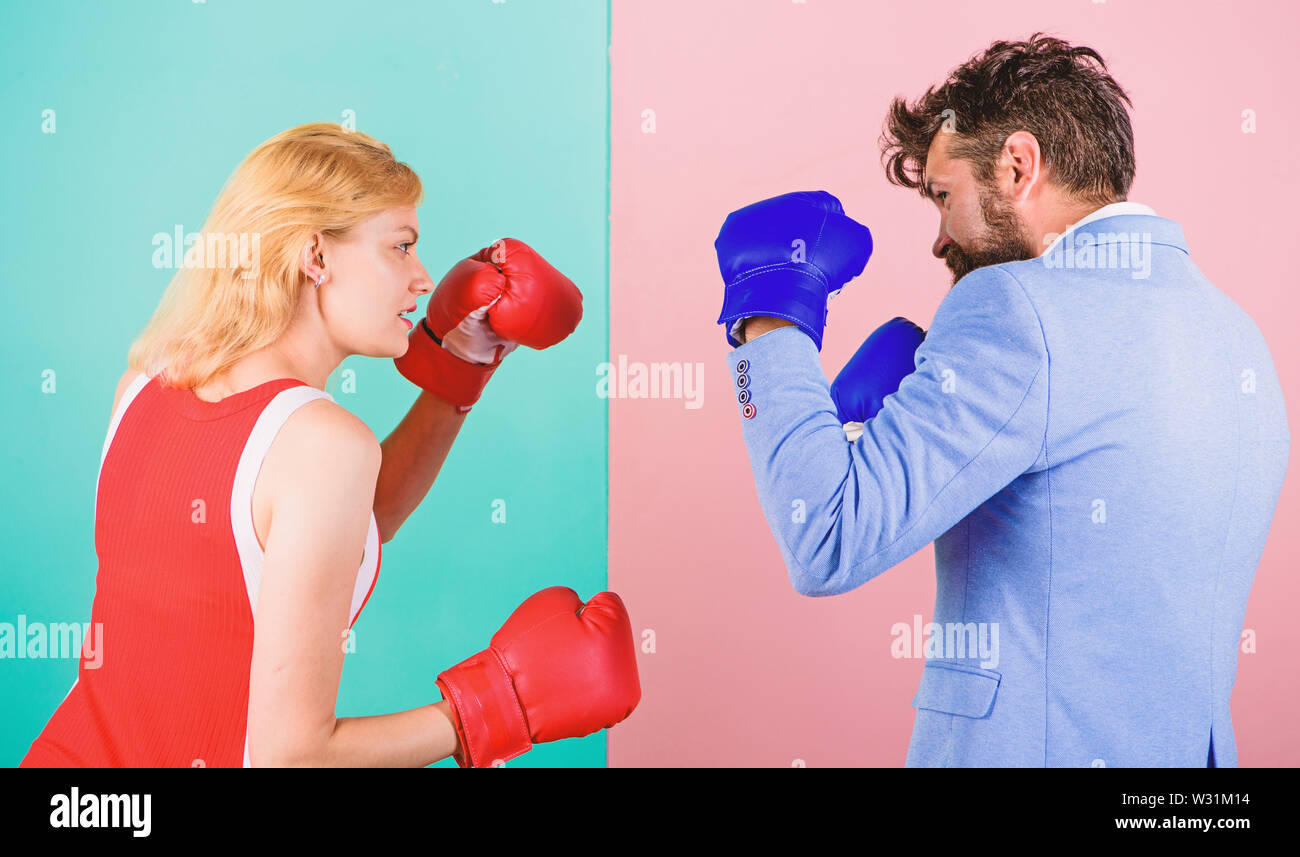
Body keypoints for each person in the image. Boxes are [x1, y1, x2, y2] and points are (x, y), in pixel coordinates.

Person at [714, 34, 1289, 767]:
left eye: (945, 197)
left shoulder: (1015, 307)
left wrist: (772, 311)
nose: (940, 239)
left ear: (1019, 165)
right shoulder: (1238, 338)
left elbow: (824, 536)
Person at [20, 123, 639, 768]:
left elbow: (338, 530)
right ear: (315, 255)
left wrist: (461, 369)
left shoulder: (144, 384)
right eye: (401, 247)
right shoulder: (322, 443)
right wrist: (496, 705)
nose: (423, 279)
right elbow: (294, 755)